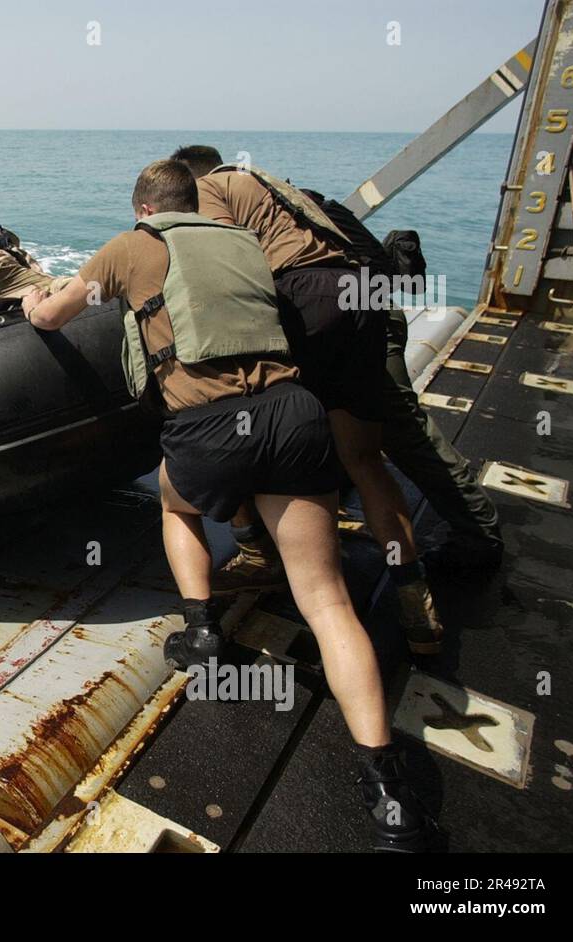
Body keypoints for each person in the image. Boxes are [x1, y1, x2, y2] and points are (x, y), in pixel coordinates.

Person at [22, 158, 431, 852]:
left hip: (208, 430)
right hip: (294, 414)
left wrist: (36, 300)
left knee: (176, 507)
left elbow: (58, 315)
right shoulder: (243, 240)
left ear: (144, 208)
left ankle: (202, 626)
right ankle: (389, 789)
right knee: (328, 603)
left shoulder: (133, 245)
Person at [170, 145, 443, 656]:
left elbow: (219, 266)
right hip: (360, 298)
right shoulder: (278, 188)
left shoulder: (211, 187)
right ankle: (414, 600)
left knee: (243, 417)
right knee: (364, 460)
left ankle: (259, 554)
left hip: (306, 297)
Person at [297, 187, 503, 575]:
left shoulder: (267, 212)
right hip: (361, 312)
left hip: (359, 321)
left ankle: (479, 534)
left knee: (404, 430)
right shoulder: (302, 200)